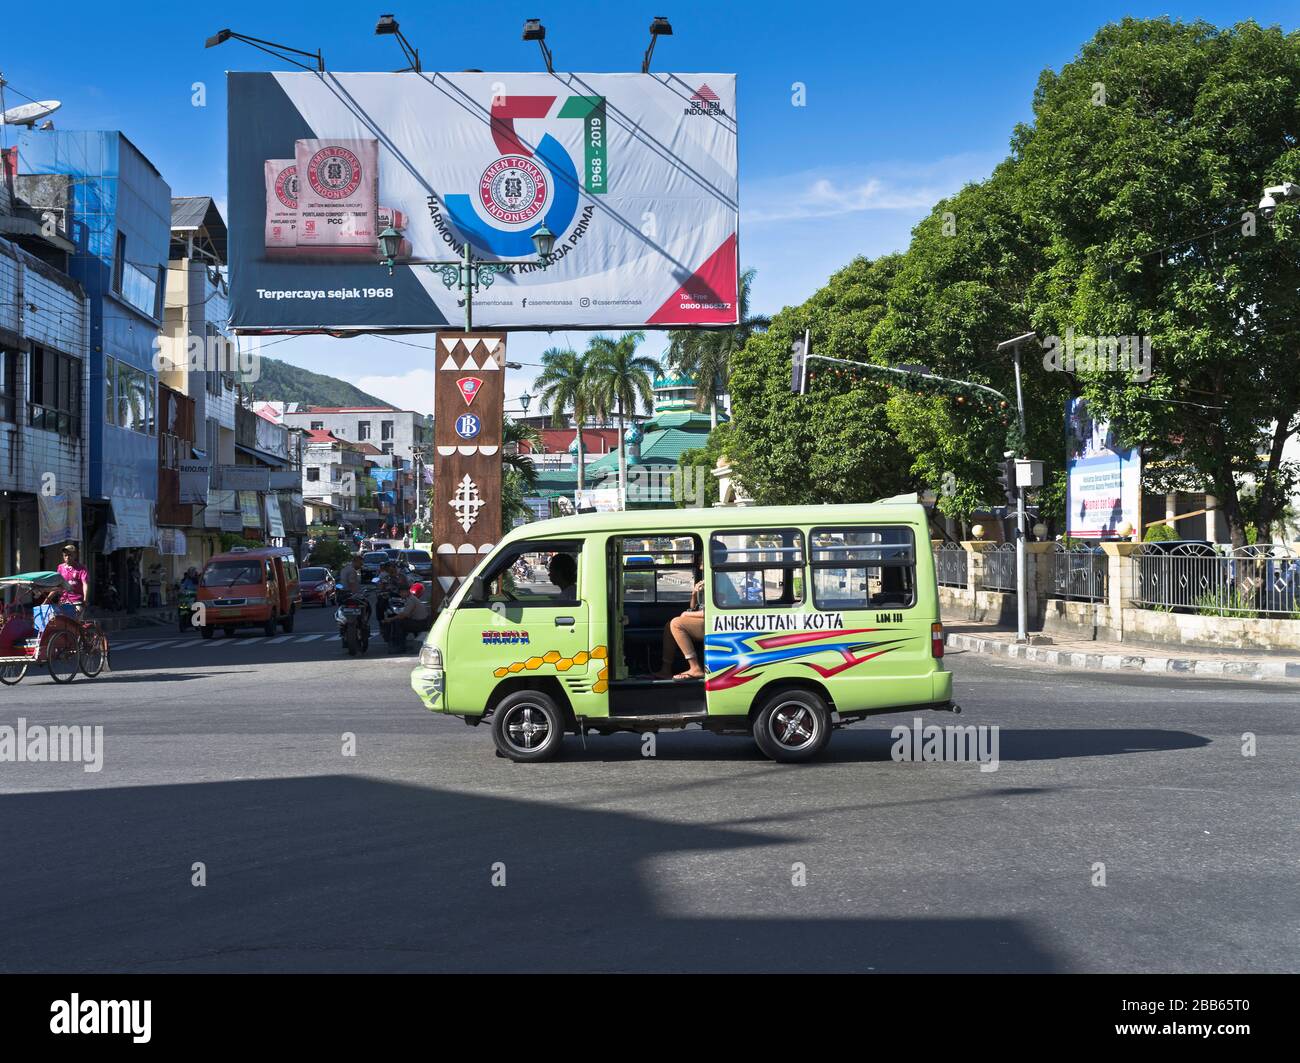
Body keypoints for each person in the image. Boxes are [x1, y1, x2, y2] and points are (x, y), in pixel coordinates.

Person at [652, 565, 706, 680]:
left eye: (702, 562)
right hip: (701, 621)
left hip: (712, 623)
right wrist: (694, 594)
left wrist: (687, 615)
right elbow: (693, 608)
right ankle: (666, 669)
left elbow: (711, 611)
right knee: (669, 626)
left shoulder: (718, 579)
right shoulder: (704, 581)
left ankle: (695, 667)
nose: (700, 566)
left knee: (677, 623)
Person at [384, 582, 431, 650]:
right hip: (419, 621)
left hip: (421, 623)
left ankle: (400, 646)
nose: (400, 594)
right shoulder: (410, 598)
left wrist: (390, 619)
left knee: (398, 622)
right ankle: (399, 643)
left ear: (406, 592)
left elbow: (403, 615)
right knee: (399, 621)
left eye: (401, 592)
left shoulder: (411, 600)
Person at [57, 544, 89, 613]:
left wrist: (85, 599)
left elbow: (85, 584)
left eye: (69, 555)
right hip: (63, 601)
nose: (67, 557)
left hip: (76, 601)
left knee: (74, 621)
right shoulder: (60, 567)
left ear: (75, 555)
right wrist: (47, 600)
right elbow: (57, 584)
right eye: (65, 555)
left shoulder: (81, 568)